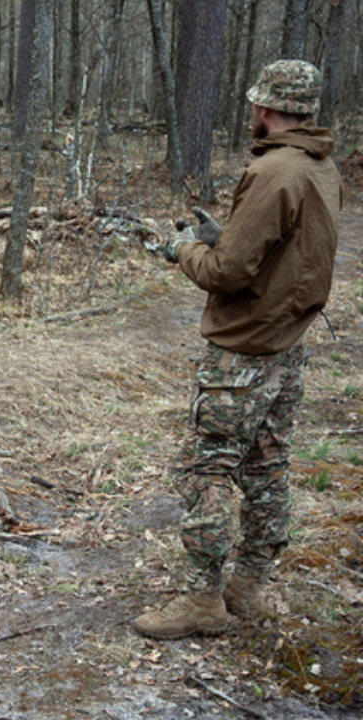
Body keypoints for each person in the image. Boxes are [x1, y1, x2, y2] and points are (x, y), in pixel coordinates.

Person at [134, 59, 342, 640]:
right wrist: (218, 236)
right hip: (287, 344)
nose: (251, 111)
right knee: (269, 466)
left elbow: (227, 273)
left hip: (244, 351)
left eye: (256, 103)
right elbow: (281, 252)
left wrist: (183, 250)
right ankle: (250, 586)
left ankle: (204, 601)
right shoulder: (322, 167)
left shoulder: (275, 171)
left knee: (208, 470)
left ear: (267, 108)